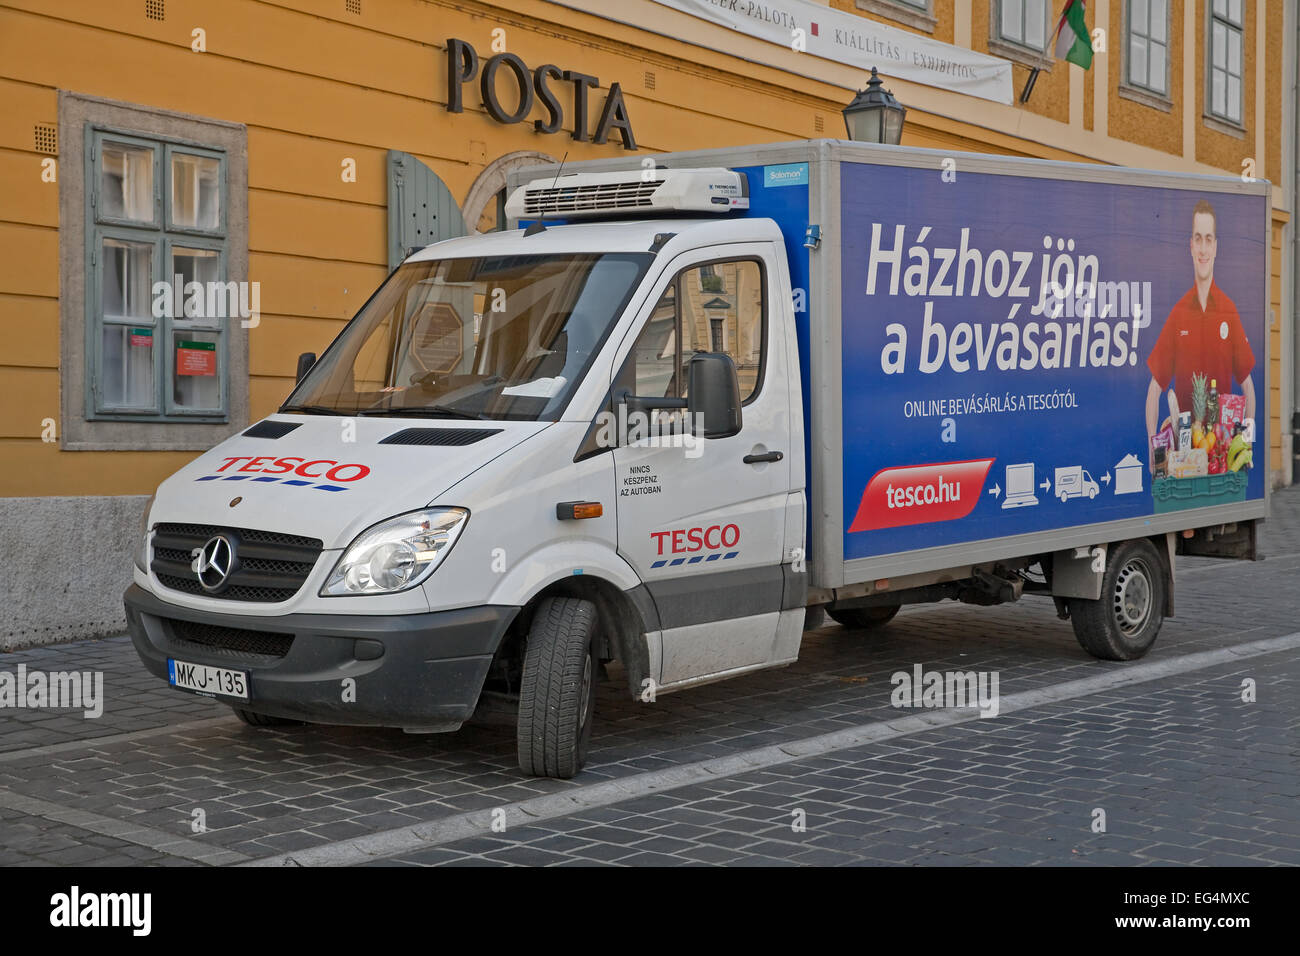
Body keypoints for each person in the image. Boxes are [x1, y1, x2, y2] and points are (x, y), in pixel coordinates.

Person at [1145, 199, 1255, 469]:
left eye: (1208, 239)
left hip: (1220, 457)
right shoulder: (1179, 313)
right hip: (1185, 459)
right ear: (1191, 246)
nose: (1203, 248)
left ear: (1215, 247)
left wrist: (1246, 444)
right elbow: (1153, 390)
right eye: (1198, 239)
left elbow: (1248, 387)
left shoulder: (1228, 310)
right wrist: (1153, 452)